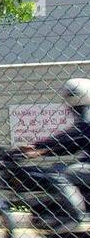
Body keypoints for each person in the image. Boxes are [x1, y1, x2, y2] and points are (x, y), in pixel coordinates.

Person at [21, 78, 90, 224]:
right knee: (59, 168)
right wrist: (41, 148)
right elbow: (73, 143)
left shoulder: (87, 114)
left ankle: (78, 217)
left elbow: (77, 137)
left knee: (57, 173)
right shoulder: (85, 112)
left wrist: (40, 147)